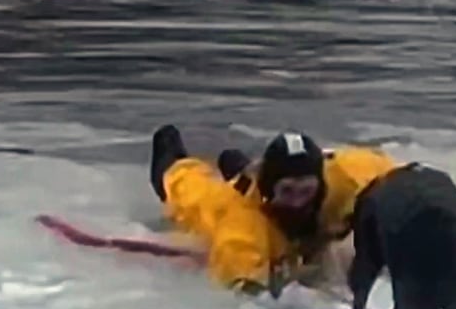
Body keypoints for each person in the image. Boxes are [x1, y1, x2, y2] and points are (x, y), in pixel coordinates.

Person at [149, 124, 398, 296]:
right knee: (181, 181)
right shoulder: (243, 222)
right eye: (288, 191)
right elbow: (242, 289)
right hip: (216, 201)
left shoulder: (345, 177)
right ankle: (169, 148)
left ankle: (238, 165)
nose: (298, 202)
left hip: (266, 181)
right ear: (270, 188)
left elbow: (397, 175)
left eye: (306, 191)